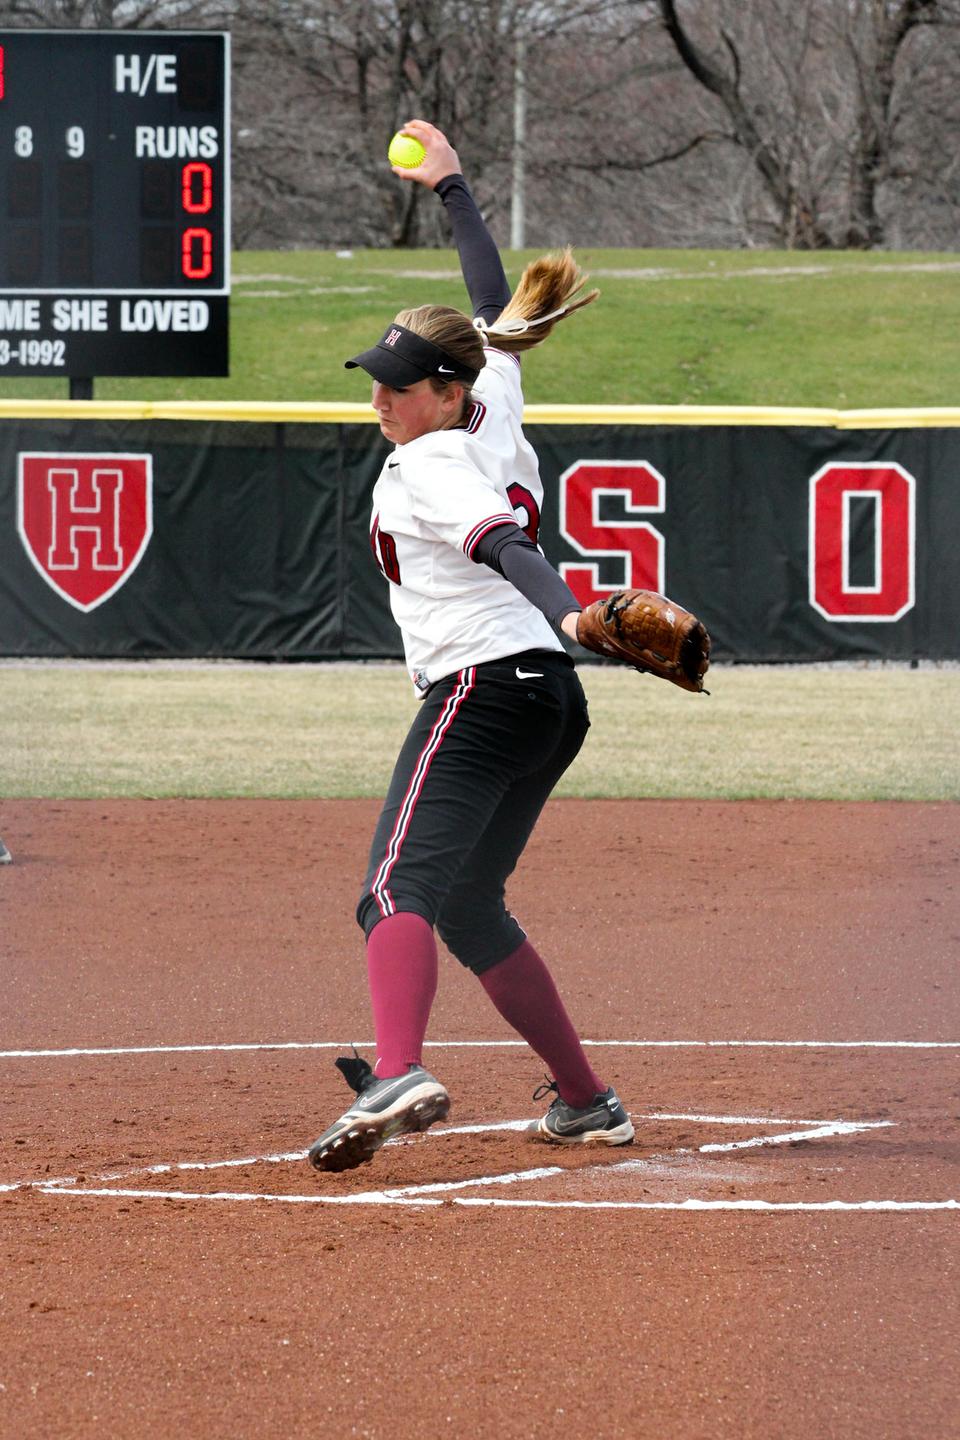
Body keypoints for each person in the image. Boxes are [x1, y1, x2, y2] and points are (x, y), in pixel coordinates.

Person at [308, 119, 633, 1173]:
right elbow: (492, 309)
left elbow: (499, 543)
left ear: (447, 395)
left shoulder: (431, 463)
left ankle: (398, 1071)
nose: (380, 399)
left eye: (399, 386)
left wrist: (570, 609)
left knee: (393, 889)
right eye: (378, 379)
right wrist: (452, 188)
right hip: (549, 701)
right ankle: (585, 1101)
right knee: (468, 904)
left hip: (483, 688)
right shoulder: (489, 395)